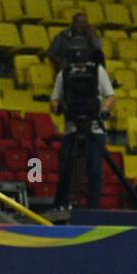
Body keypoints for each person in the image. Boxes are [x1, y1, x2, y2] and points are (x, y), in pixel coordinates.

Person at [49, 44, 115, 212]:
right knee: (66, 167)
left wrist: (104, 112)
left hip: (94, 127)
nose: (79, 64)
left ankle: (93, 209)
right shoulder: (64, 74)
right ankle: (61, 204)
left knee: (94, 170)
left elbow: (110, 96)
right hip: (72, 127)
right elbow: (54, 99)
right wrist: (57, 108)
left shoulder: (98, 71)